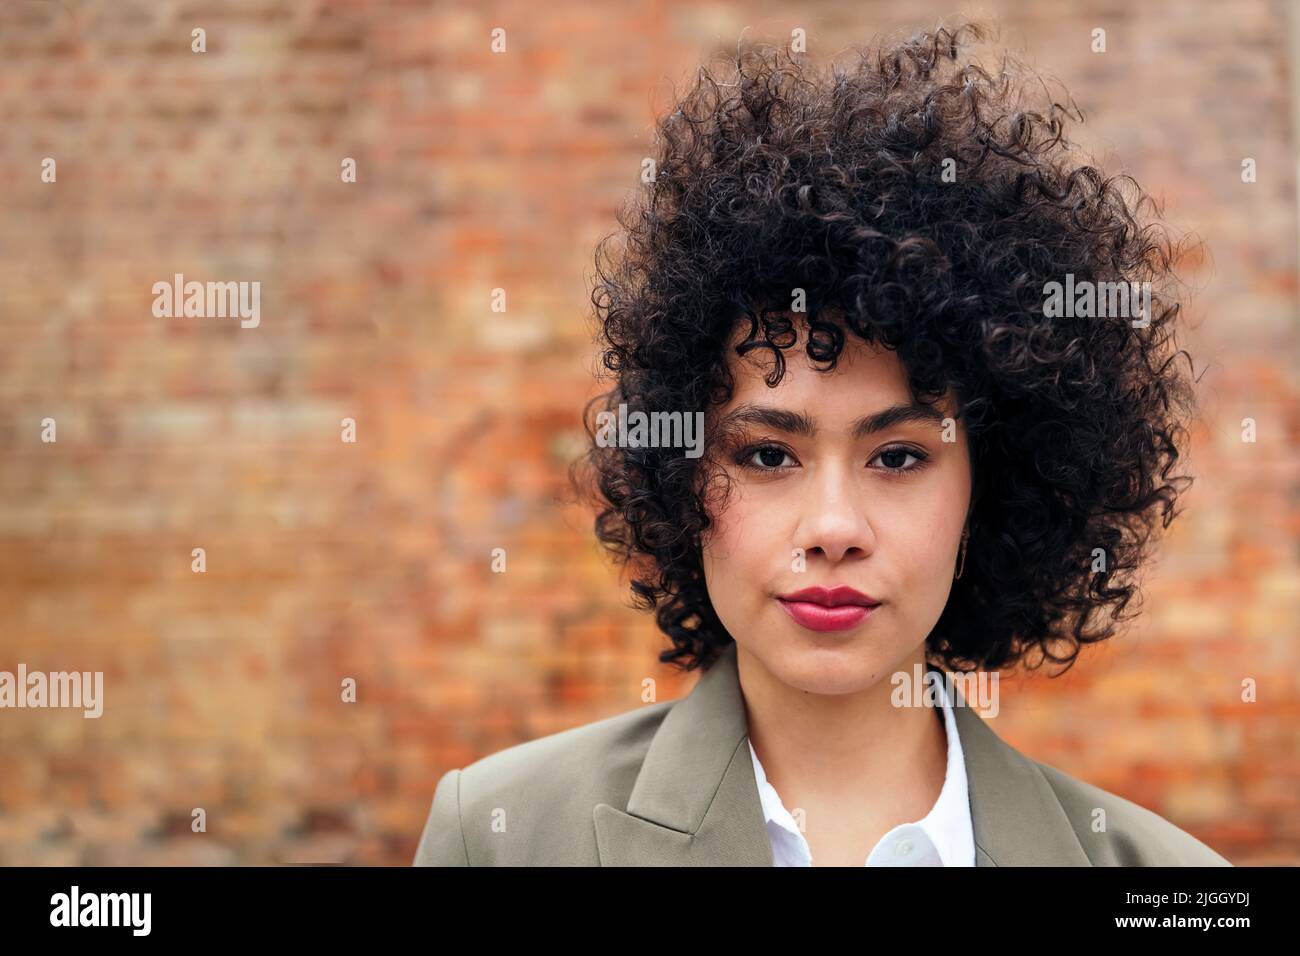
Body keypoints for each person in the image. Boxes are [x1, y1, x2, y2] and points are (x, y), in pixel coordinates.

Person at [414, 21, 1230, 866]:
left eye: (899, 456)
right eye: (768, 455)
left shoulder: (1170, 882)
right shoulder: (501, 836)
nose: (833, 527)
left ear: (991, 487)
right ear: (684, 476)